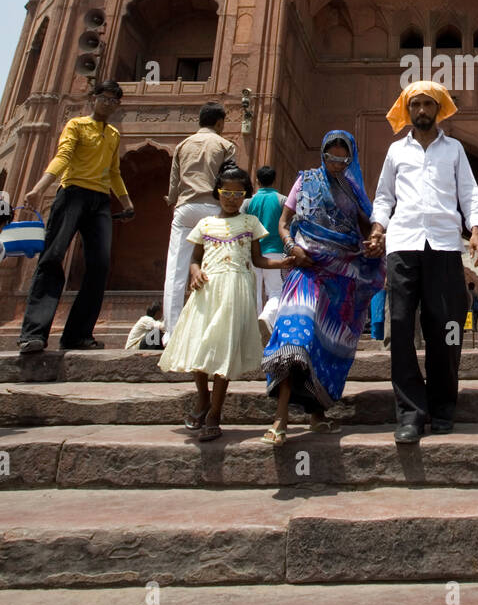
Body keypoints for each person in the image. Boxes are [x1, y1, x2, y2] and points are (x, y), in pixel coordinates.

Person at [366, 82, 478, 444]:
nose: (420, 110)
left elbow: (468, 191)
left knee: (446, 328)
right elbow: (384, 196)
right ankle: (410, 413)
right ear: (407, 109)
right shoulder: (395, 151)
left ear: (438, 108)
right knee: (401, 327)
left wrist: (475, 230)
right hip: (403, 244)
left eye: (427, 104)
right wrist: (377, 229)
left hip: (446, 246)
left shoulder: (455, 150)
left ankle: (443, 406)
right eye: (414, 104)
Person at [261, 131, 385, 444]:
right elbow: (284, 223)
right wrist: (291, 247)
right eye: (332, 156)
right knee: (296, 336)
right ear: (324, 154)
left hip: (339, 277)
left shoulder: (353, 190)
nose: (337, 163)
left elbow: (367, 226)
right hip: (306, 270)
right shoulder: (305, 181)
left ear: (350, 159)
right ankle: (281, 417)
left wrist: (373, 240)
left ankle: (317, 414)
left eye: (344, 158)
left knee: (325, 346)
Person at [158, 164, 291, 442]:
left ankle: (215, 412)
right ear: (217, 193)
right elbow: (195, 258)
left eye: (237, 193)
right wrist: (194, 273)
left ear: (245, 195)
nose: (231, 197)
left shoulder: (249, 223)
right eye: (226, 192)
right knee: (198, 346)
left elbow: (258, 259)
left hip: (235, 290)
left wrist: (284, 262)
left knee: (223, 353)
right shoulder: (204, 224)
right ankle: (203, 399)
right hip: (208, 291)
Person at [17, 79, 135, 354]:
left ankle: (78, 335)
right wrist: (38, 188)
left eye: (114, 100)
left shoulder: (113, 134)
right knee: (52, 259)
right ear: (93, 98)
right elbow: (63, 156)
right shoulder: (77, 125)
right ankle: (33, 334)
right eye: (104, 98)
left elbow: (114, 172)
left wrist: (128, 203)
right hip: (72, 194)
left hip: (100, 201)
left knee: (99, 267)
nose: (108, 103)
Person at [163, 103, 235, 337]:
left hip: (186, 208)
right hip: (214, 208)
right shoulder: (225, 145)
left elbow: (174, 184)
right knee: (215, 268)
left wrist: (173, 198)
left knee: (176, 268)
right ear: (219, 123)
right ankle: (209, 331)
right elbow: (229, 180)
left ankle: (170, 333)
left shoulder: (183, 145)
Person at [244, 165, 287, 312]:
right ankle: (267, 318)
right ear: (274, 181)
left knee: (253, 292)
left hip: (252, 251)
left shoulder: (248, 202)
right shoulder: (282, 200)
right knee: (275, 290)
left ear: (257, 180)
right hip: (275, 251)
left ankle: (255, 327)